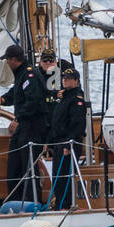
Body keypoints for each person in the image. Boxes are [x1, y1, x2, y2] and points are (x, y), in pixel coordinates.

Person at [0, 44, 49, 202]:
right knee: (14, 167)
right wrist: (4, 99)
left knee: (29, 168)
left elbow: (33, 102)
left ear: (13, 60)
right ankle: (15, 201)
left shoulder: (30, 75)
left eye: (7, 60)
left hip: (32, 127)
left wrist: (18, 119)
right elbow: (17, 92)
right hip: (24, 128)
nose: (7, 63)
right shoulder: (21, 75)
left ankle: (33, 202)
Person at [46, 66, 88, 209]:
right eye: (64, 78)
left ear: (76, 81)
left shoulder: (77, 100)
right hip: (58, 143)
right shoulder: (63, 97)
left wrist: (68, 146)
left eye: (68, 79)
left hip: (69, 144)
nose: (65, 81)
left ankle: (66, 205)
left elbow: (77, 125)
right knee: (58, 178)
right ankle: (59, 204)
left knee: (66, 178)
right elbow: (56, 121)